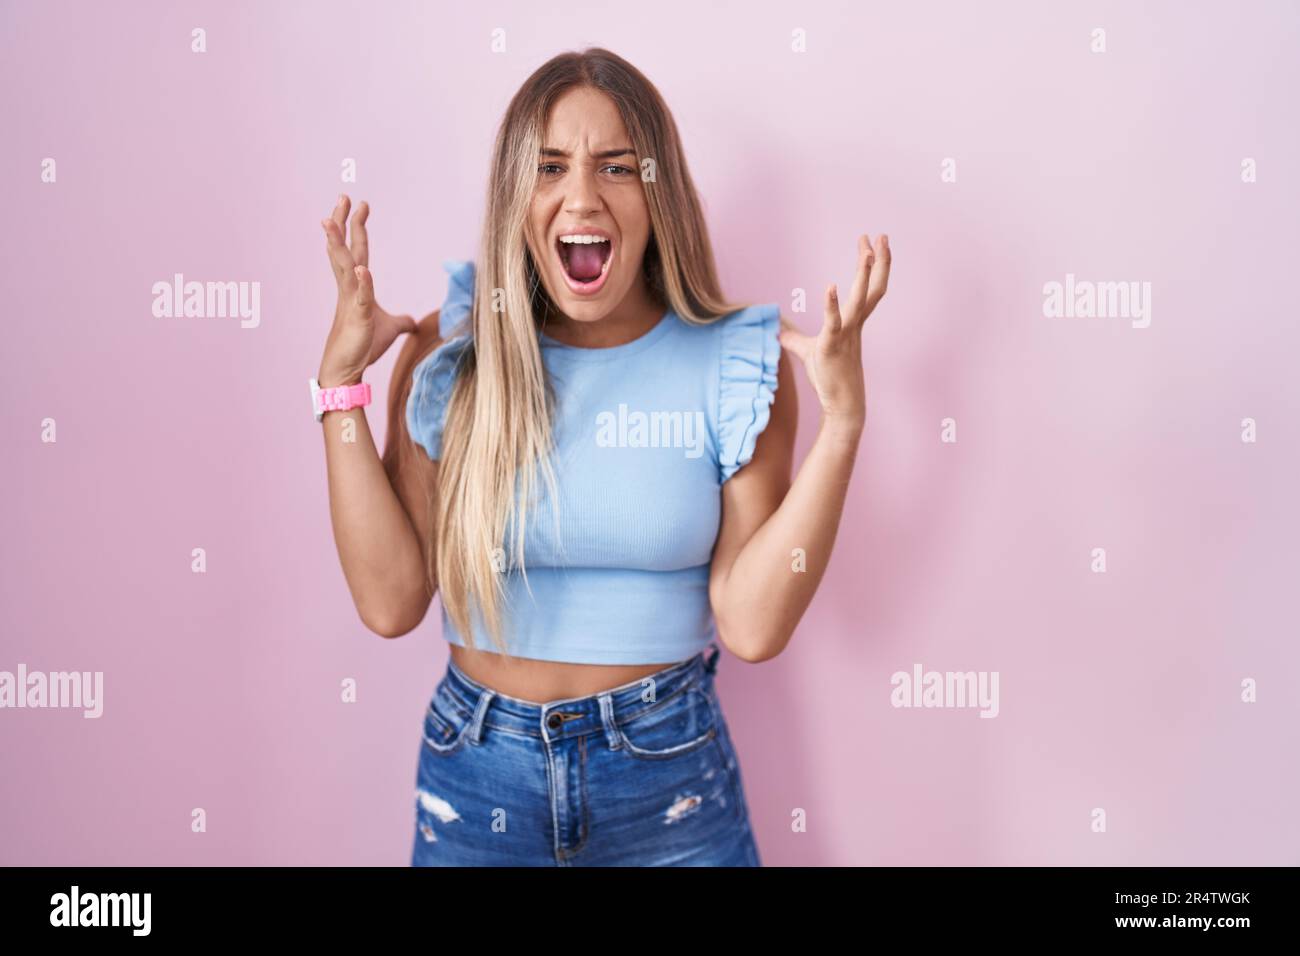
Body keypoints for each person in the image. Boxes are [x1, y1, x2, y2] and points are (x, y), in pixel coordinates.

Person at [313, 47, 891, 866]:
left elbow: (754, 626)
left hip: (669, 775)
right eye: (549, 167)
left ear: (659, 195)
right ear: (517, 196)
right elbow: (390, 601)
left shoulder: (736, 363)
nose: (581, 195)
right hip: (478, 776)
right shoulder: (456, 349)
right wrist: (340, 386)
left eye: (617, 167)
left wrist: (845, 422)